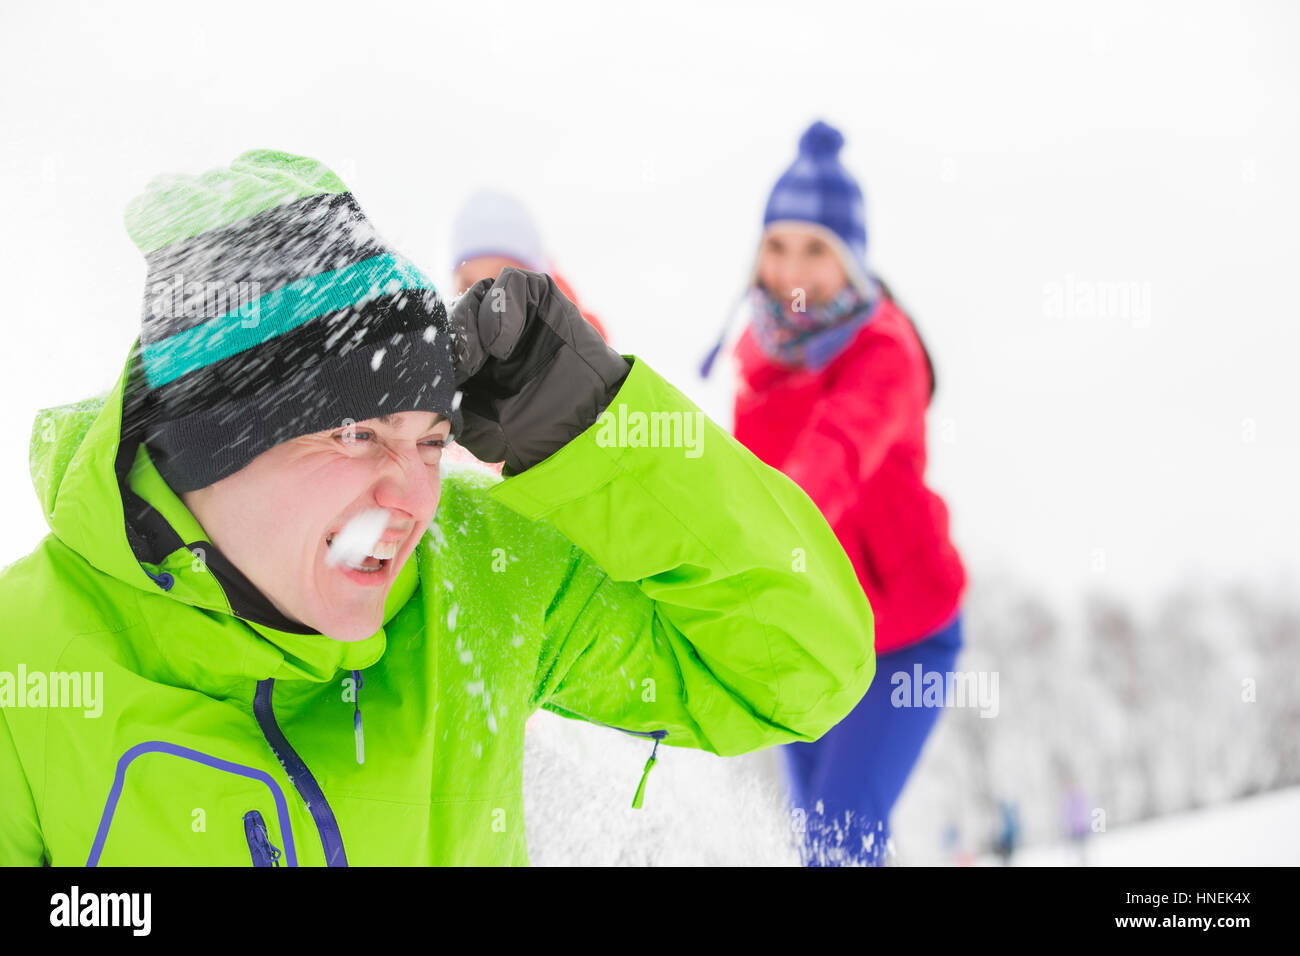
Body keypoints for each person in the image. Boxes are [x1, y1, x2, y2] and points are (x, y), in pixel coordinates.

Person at [0, 150, 876, 866]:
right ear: (209, 447)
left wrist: (603, 428)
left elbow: (801, 672)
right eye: (354, 434)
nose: (417, 497)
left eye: (429, 439)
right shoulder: (27, 667)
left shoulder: (477, 580)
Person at [713, 120, 967, 865]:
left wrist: (762, 530)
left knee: (838, 837)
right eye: (777, 246)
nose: (793, 270)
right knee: (822, 844)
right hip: (815, 642)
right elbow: (742, 486)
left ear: (851, 258)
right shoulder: (756, 356)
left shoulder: (886, 349)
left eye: (816, 249)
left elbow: (835, 455)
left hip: (905, 640)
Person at [449, 188, 609, 340]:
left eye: (501, 282)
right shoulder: (445, 355)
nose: (483, 300)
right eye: (467, 286)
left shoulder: (589, 356)